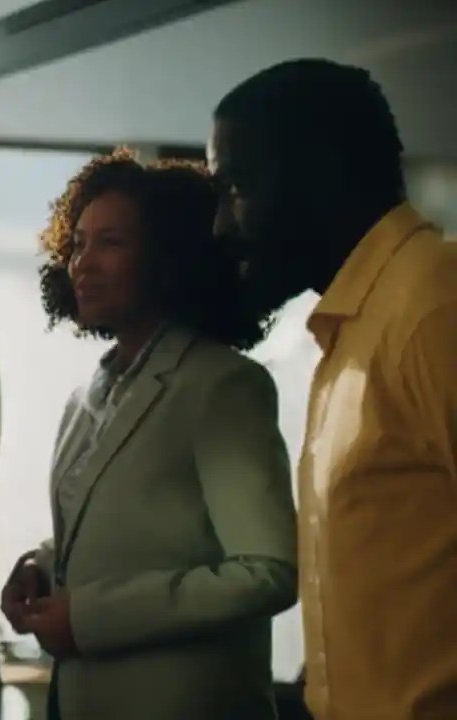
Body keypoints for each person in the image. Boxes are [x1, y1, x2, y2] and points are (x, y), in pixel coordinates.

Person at [0, 150, 298, 719]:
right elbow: (137, 529)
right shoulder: (85, 397)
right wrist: (44, 563)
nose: (83, 263)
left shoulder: (224, 386)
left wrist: (88, 618)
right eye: (79, 243)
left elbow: (269, 572)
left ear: (170, 259)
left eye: (111, 243)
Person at [210, 58, 457, 719]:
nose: (221, 227)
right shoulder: (353, 327)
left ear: (318, 178)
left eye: (237, 187)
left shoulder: (434, 306)